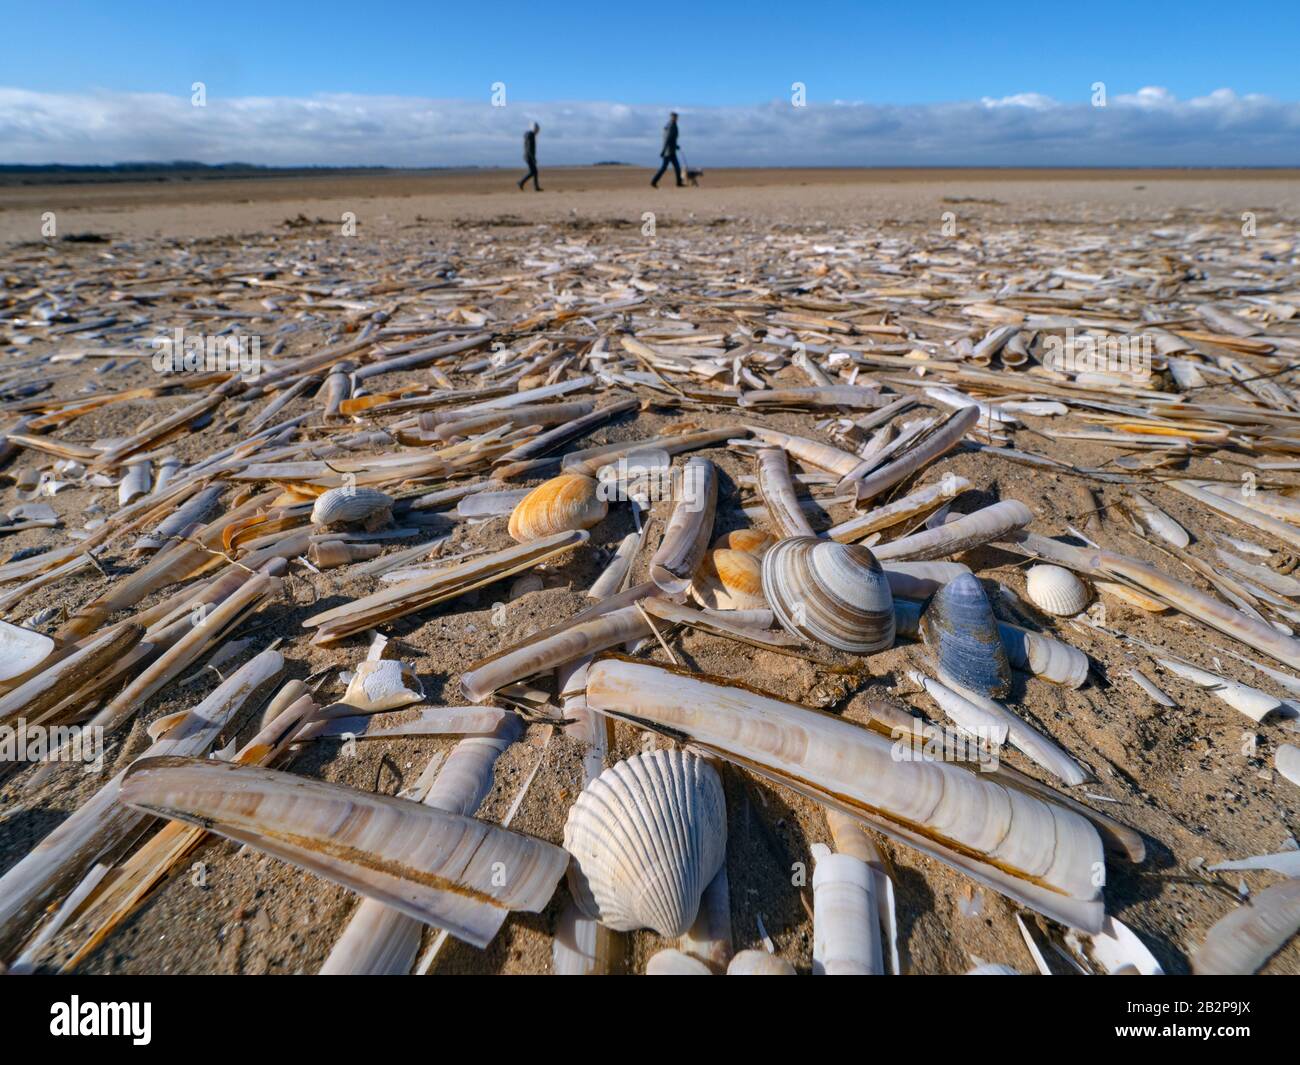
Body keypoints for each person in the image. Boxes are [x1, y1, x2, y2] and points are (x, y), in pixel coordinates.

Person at [651, 111, 684, 188]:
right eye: (675, 117)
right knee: (664, 167)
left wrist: (676, 146)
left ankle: (679, 183)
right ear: (672, 117)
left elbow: (672, 139)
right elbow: (667, 139)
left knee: (677, 167)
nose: (676, 118)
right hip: (668, 152)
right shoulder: (671, 125)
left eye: (676, 117)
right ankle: (653, 181)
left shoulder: (673, 125)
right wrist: (663, 151)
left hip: (671, 150)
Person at [518, 122, 541, 191]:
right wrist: (533, 158)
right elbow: (530, 148)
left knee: (534, 171)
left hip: (527, 156)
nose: (538, 131)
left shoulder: (529, 135)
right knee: (533, 172)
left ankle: (536, 187)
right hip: (529, 156)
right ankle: (521, 182)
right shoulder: (531, 135)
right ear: (535, 129)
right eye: (537, 129)